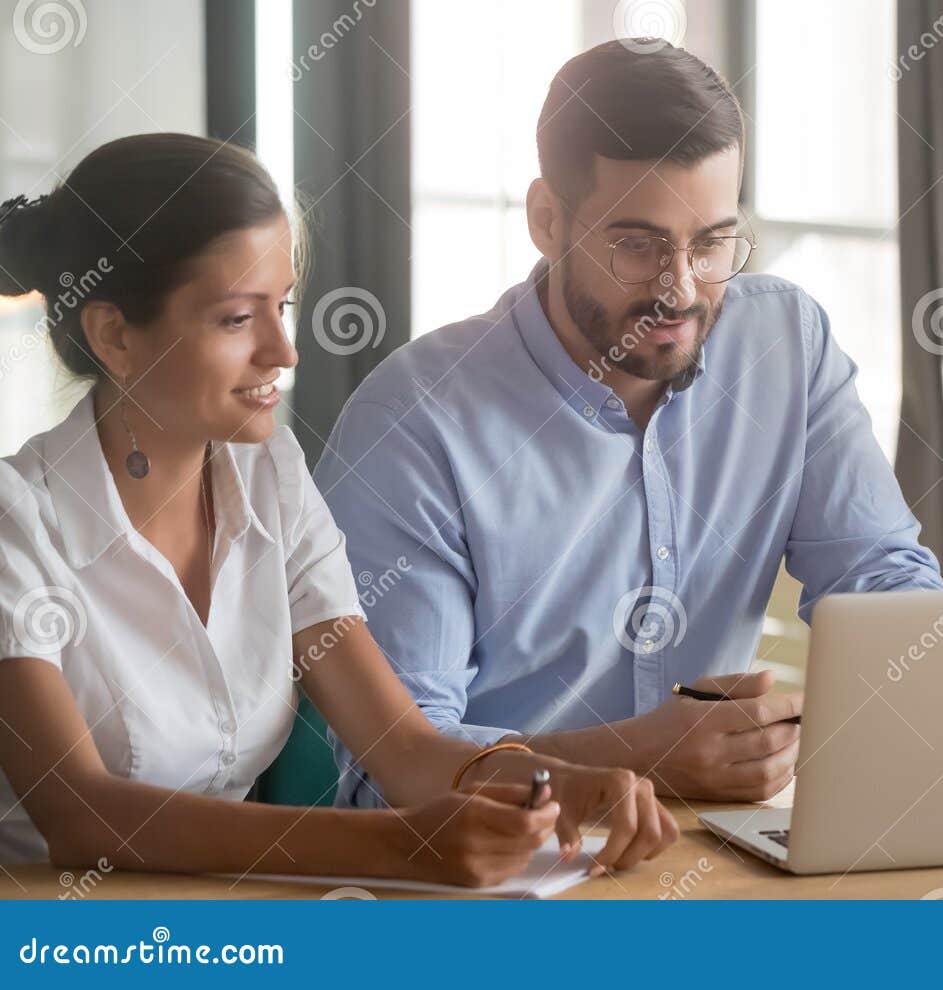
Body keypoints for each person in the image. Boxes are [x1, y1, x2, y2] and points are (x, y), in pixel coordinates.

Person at [0, 133, 676, 880]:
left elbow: (406, 749)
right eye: (236, 319)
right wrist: (399, 845)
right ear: (114, 335)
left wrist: (557, 785)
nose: (284, 352)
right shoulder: (16, 522)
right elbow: (82, 817)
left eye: (282, 307)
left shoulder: (272, 477)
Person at [315, 40, 943, 809]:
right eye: (638, 246)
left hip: (717, 855)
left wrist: (917, 685)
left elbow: (878, 575)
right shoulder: (412, 425)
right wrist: (637, 762)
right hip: (502, 883)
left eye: (712, 244)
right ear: (548, 219)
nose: (680, 291)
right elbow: (391, 781)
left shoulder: (786, 343)